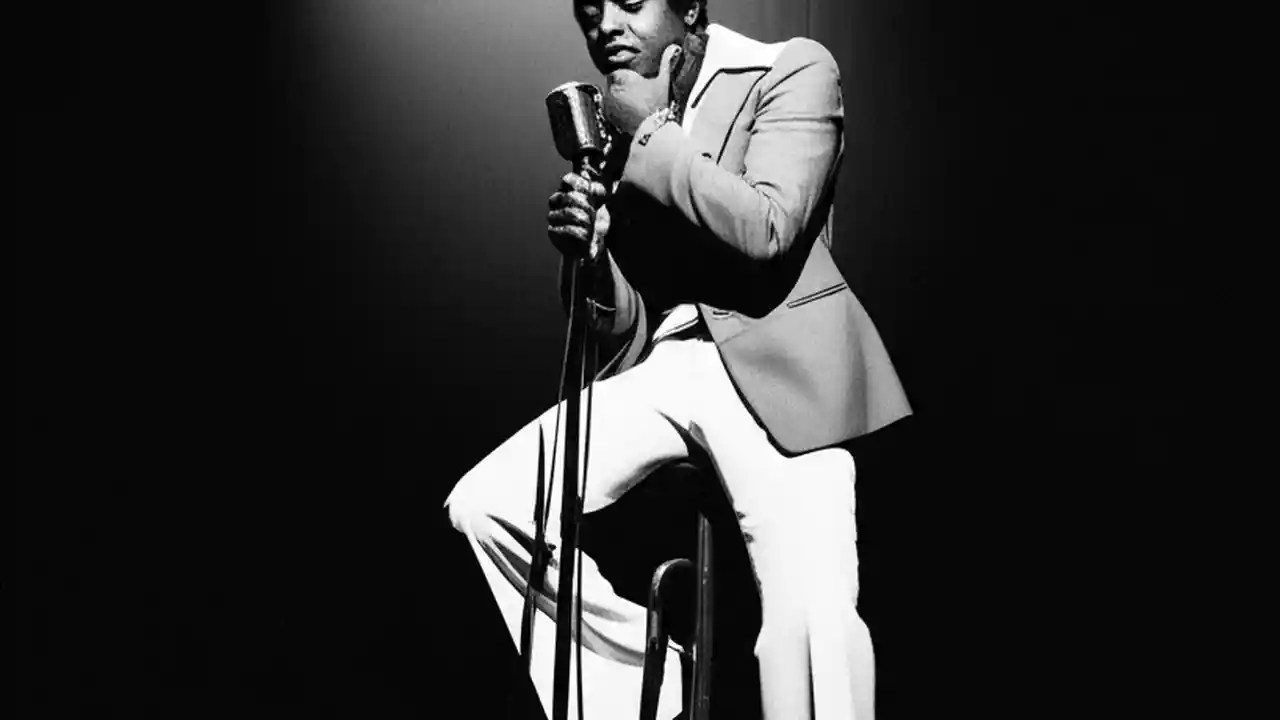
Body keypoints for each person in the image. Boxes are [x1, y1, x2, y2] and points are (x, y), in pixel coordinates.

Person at [444, 1, 911, 718]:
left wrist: (655, 132)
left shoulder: (785, 70)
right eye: (590, 10)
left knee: (812, 624)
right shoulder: (620, 132)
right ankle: (642, 692)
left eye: (630, 2)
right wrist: (596, 261)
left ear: (689, 4)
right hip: (668, 366)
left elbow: (769, 228)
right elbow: (629, 332)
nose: (605, 25)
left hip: (780, 361)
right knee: (488, 505)